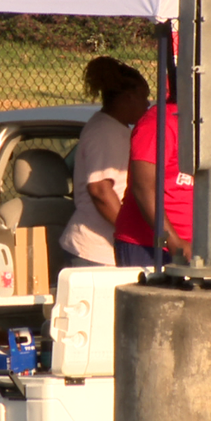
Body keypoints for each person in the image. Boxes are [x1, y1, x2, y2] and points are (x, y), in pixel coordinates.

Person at [60, 57, 150, 267]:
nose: (147, 104)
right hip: (96, 252)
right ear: (128, 97)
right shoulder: (105, 132)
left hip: (106, 250)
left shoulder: (115, 130)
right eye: (144, 97)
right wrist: (128, 234)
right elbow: (100, 189)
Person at [112, 66, 192, 267]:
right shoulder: (159, 122)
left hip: (193, 245)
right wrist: (173, 242)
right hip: (151, 245)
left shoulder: (205, 122)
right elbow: (143, 187)